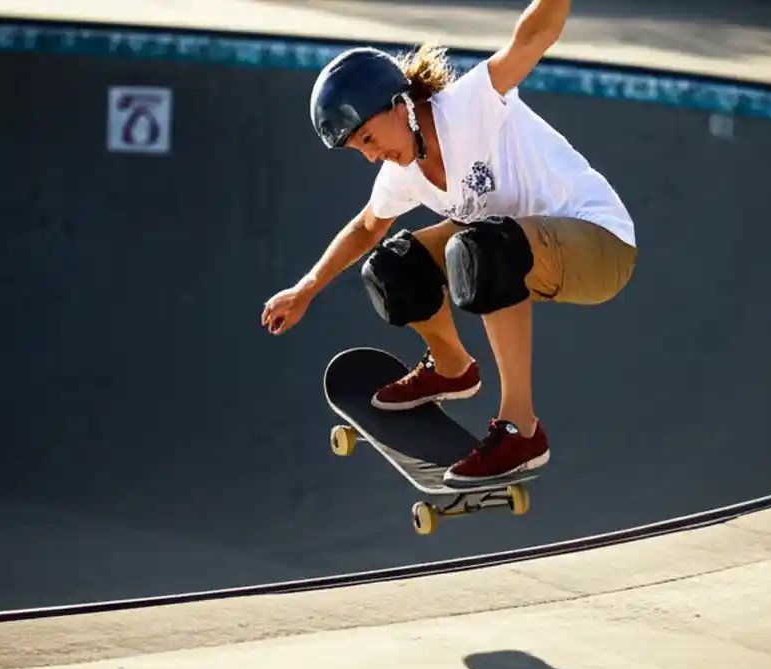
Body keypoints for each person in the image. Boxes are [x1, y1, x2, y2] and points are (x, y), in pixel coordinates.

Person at [261, 0, 636, 484]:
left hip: (599, 245)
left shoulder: (469, 106)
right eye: (360, 151)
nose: (373, 158)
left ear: (398, 106)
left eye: (369, 140)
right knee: (392, 266)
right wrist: (306, 289)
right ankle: (452, 366)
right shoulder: (403, 170)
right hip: (523, 244)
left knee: (479, 251)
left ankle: (520, 429)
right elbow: (365, 228)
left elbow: (533, 39)